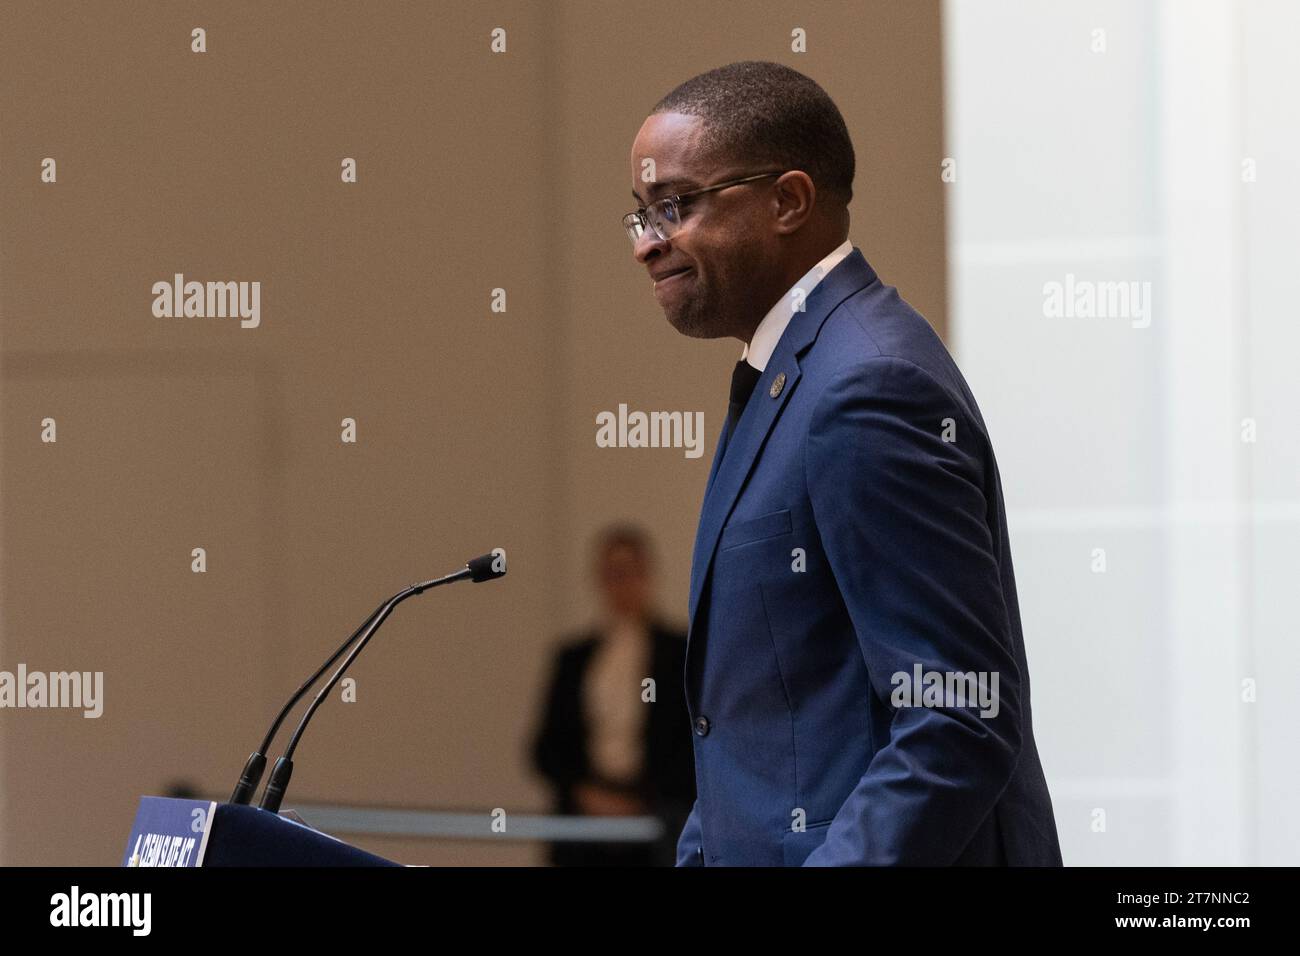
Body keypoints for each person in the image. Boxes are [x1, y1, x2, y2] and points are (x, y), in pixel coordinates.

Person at [624, 61, 1063, 866]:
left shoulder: (867, 383)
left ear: (788, 200)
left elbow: (957, 717)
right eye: (642, 216)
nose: (648, 245)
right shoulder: (794, 371)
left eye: (676, 206)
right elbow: (749, 745)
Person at [530, 525, 695, 866]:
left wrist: (643, 800)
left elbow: (688, 740)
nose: (622, 584)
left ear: (647, 574)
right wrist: (586, 793)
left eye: (630, 572)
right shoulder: (574, 658)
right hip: (584, 825)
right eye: (613, 574)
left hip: (656, 822)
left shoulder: (678, 653)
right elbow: (547, 746)